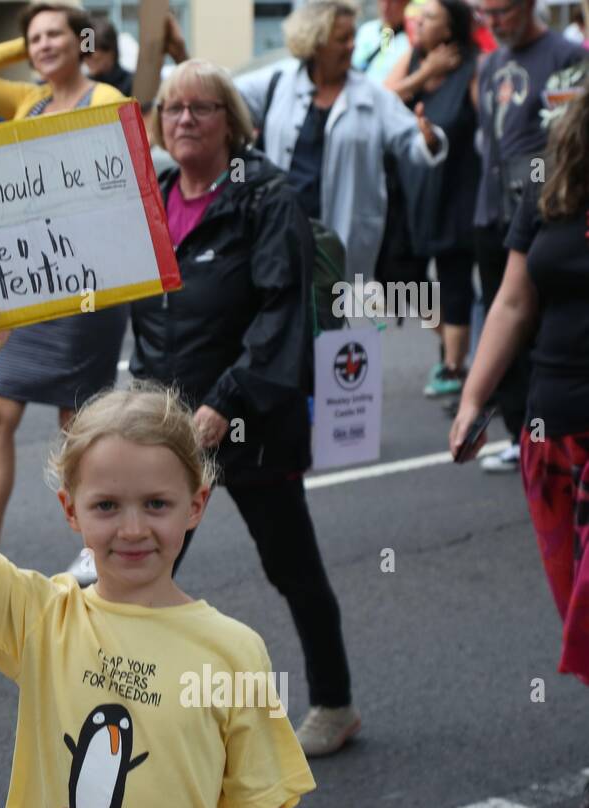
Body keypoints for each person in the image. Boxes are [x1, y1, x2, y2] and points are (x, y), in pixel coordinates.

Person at [0, 307, 316, 808]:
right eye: (107, 506)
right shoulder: (44, 617)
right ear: (71, 510)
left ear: (196, 506)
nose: (134, 529)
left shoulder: (235, 653)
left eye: (157, 504)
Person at [133, 59, 359, 757]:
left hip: (249, 417)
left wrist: (223, 404)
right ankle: (134, 706)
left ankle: (334, 702)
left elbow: (280, 312)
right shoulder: (155, 192)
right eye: (173, 109)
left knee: (290, 565)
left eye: (202, 108)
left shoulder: (264, 195)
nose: (185, 120)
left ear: (233, 123)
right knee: (144, 568)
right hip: (166, 418)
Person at [0, 2, 131, 584]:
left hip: (87, 280)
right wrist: (31, 49)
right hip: (28, 275)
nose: (45, 45)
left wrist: (52, 41)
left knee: (78, 421)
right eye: (35, 37)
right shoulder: (30, 100)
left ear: (85, 42)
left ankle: (98, 547)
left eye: (57, 36)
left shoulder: (109, 102)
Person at [449, 84, 589, 808]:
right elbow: (511, 299)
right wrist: (473, 399)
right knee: (579, 614)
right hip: (553, 433)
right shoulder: (553, 175)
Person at [237, 0, 449, 286]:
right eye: (342, 39)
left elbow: (412, 141)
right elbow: (222, 98)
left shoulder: (374, 88)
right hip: (280, 236)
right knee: (283, 320)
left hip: (344, 241)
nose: (352, 45)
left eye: (352, 37)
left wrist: (429, 139)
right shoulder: (280, 81)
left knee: (344, 325)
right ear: (316, 42)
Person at [469, 0, 586, 474]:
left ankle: (538, 431)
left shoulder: (564, 56)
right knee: (501, 316)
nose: (494, 23)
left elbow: (568, 138)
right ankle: (520, 431)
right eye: (483, 14)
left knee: (534, 322)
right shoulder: (493, 62)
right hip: (493, 209)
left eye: (501, 12)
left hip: (544, 208)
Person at [385, 0, 481, 397]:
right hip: (410, 190)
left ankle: (454, 366)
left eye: (429, 19)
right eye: (417, 17)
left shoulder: (475, 66)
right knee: (395, 277)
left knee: (455, 277)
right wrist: (426, 73)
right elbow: (383, 98)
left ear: (450, 28)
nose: (418, 23)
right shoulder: (414, 59)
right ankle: (459, 338)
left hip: (458, 188)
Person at [354, 0, 414, 84]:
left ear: (406, 3)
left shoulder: (411, 39)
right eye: (383, 1)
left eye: (393, 2)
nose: (385, 7)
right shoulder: (367, 29)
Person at [83, 16, 133, 96]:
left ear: (110, 51)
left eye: (90, 51)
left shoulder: (132, 83)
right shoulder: (83, 86)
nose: (86, 57)